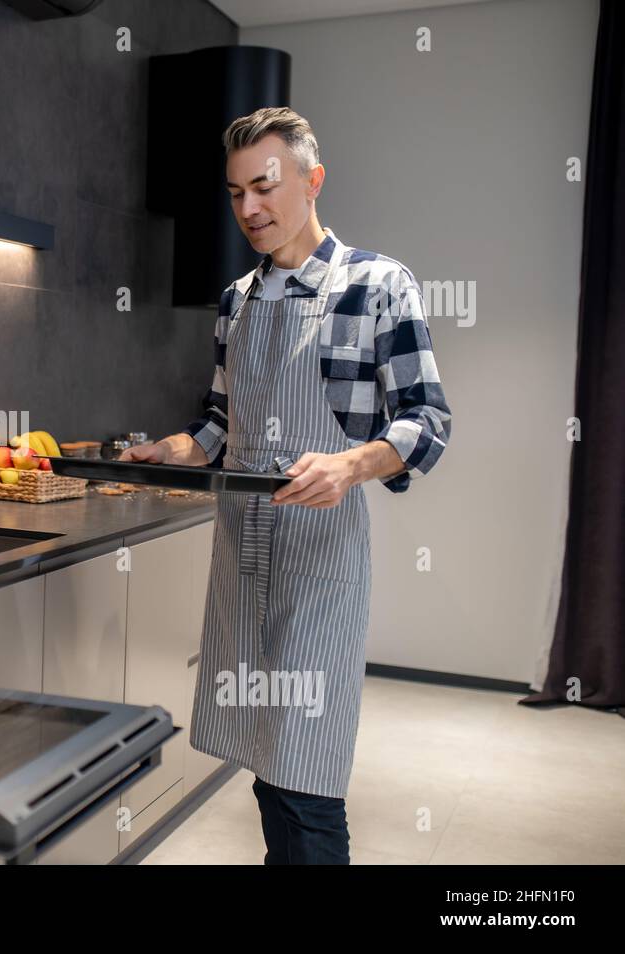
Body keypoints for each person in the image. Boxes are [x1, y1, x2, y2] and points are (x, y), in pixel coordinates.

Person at [122, 107, 451, 864]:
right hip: (243, 559)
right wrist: (173, 450)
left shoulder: (376, 285)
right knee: (268, 765)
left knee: (307, 778)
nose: (249, 209)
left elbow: (428, 420)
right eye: (235, 193)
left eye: (264, 187)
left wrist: (350, 463)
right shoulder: (238, 299)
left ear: (312, 180)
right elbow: (218, 422)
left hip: (321, 562)